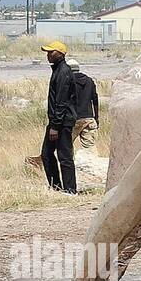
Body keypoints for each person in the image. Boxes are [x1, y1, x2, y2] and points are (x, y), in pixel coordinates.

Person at [40, 40, 77, 193]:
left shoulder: (63, 72)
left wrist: (55, 126)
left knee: (64, 156)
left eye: (51, 52)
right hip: (57, 120)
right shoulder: (57, 70)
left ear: (60, 54)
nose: (48, 55)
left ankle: (70, 189)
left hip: (62, 121)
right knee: (47, 154)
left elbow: (61, 101)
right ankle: (56, 187)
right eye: (47, 52)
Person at [67, 58, 100, 149]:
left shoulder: (67, 82)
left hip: (72, 119)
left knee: (66, 148)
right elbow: (95, 100)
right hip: (88, 118)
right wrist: (96, 118)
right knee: (90, 148)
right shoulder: (89, 81)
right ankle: (89, 163)